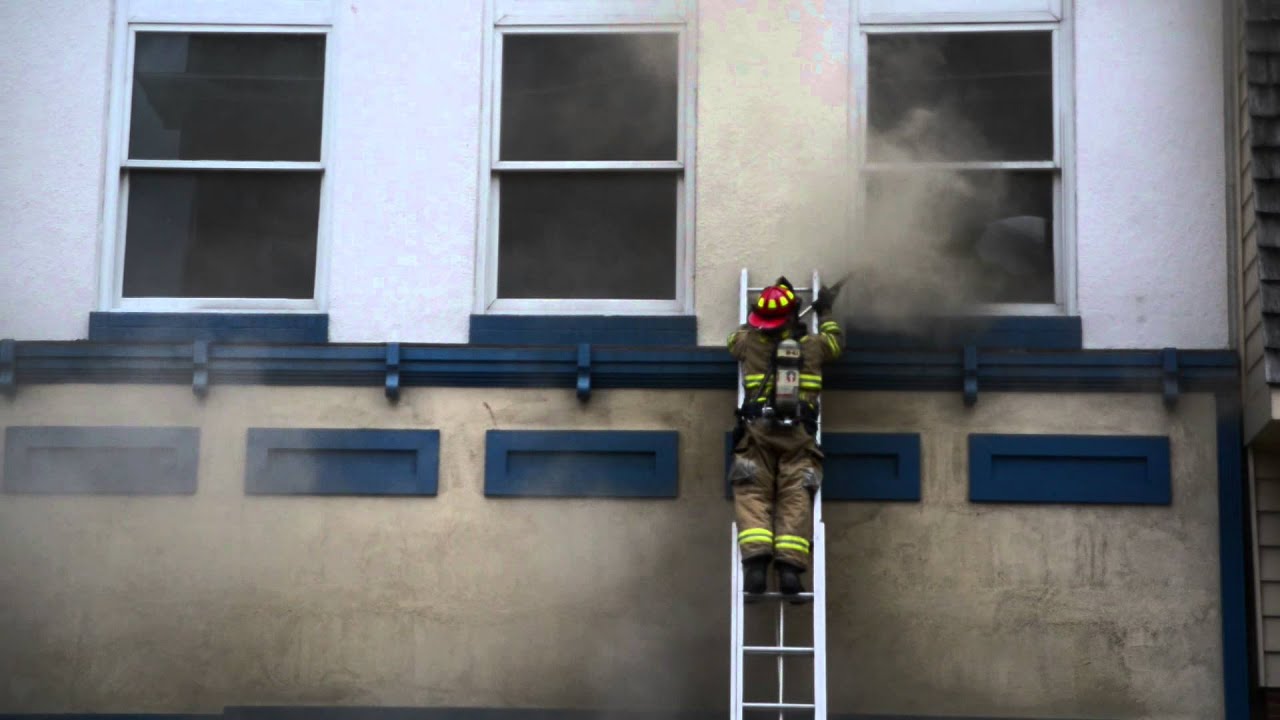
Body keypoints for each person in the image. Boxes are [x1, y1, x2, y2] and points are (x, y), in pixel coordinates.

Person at [726, 276, 844, 594]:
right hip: (799, 437)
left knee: (752, 492)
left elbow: (732, 340)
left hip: (757, 434)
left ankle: (755, 567)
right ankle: (790, 570)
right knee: (796, 494)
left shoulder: (749, 343)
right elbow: (836, 343)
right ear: (793, 316)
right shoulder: (814, 347)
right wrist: (826, 312)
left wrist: (754, 324)